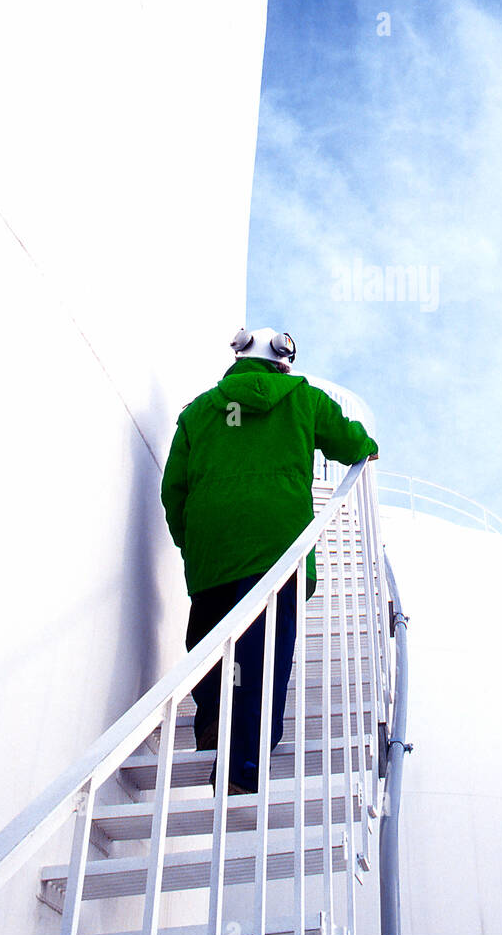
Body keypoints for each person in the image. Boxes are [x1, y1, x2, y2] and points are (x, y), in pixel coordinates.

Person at [160, 326, 379, 795]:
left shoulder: (199, 412)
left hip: (212, 547)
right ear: (283, 361)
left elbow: (172, 489)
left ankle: (211, 719)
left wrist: (191, 543)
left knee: (211, 643)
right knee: (261, 652)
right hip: (276, 546)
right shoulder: (303, 397)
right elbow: (347, 440)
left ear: (238, 359)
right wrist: (367, 446)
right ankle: (243, 764)